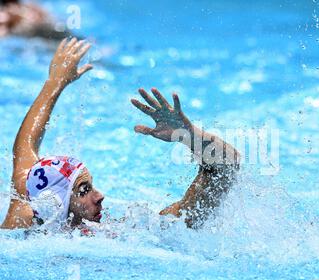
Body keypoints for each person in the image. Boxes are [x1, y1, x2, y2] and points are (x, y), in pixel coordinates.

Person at [0, 37, 240, 232]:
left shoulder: (125, 235)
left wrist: (189, 135)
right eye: (84, 190)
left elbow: (228, 165)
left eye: (91, 186)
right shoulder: (17, 229)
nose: (100, 196)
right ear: (55, 205)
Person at [0, 0, 71, 39]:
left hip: (47, 31)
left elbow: (50, 18)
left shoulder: (30, 6)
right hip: (37, 36)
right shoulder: (5, 18)